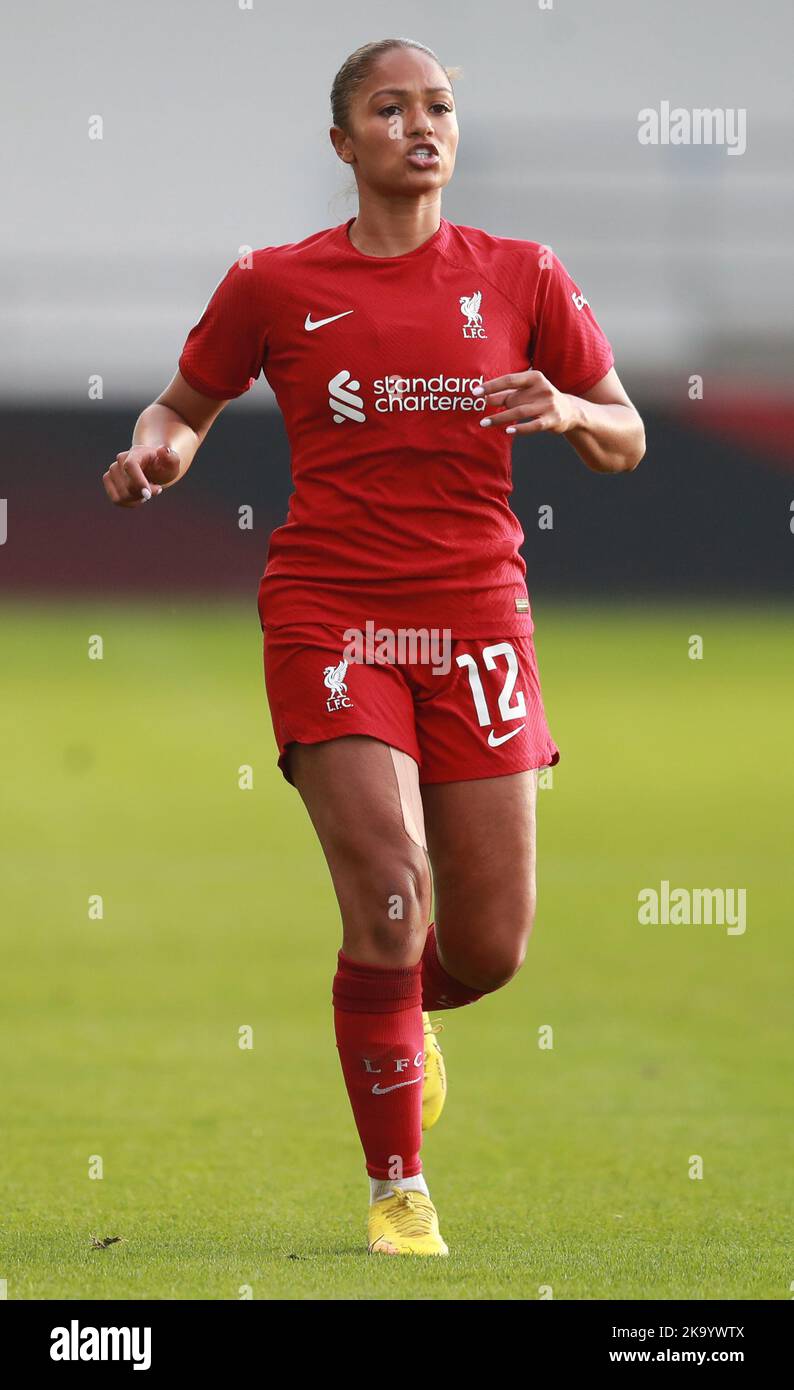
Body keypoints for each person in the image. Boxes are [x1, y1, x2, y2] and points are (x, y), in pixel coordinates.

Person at [102, 36, 645, 1257]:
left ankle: (392, 1008)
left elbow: (627, 435)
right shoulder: (274, 283)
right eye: (389, 107)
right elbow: (178, 407)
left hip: (476, 618)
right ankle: (399, 1190)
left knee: (488, 946)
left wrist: (562, 407)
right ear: (342, 146)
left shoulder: (521, 274)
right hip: (331, 612)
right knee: (392, 893)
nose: (421, 123)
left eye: (438, 105)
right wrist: (161, 455)